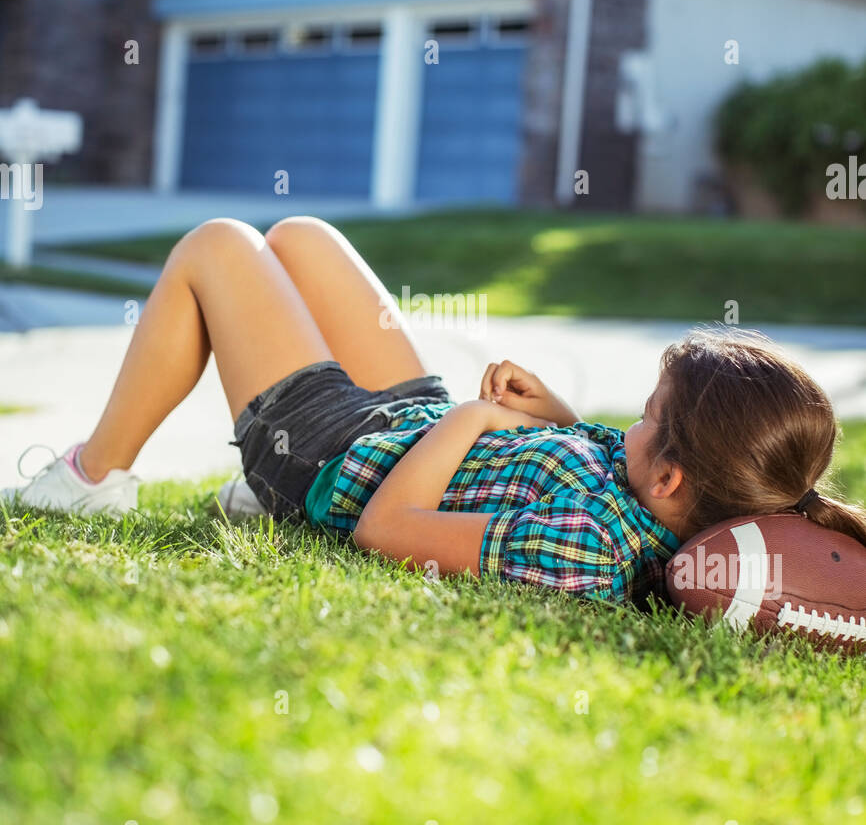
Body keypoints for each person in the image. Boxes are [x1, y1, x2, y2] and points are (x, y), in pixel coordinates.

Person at [4, 217, 865, 601]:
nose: (628, 425)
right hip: (412, 423)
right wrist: (556, 412)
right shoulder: (664, 491)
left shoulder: (594, 548)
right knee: (302, 238)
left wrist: (475, 421)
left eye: (646, 415)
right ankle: (239, 492)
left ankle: (90, 475)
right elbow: (598, 458)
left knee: (217, 247)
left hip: (338, 459)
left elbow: (387, 529)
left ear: (672, 472)